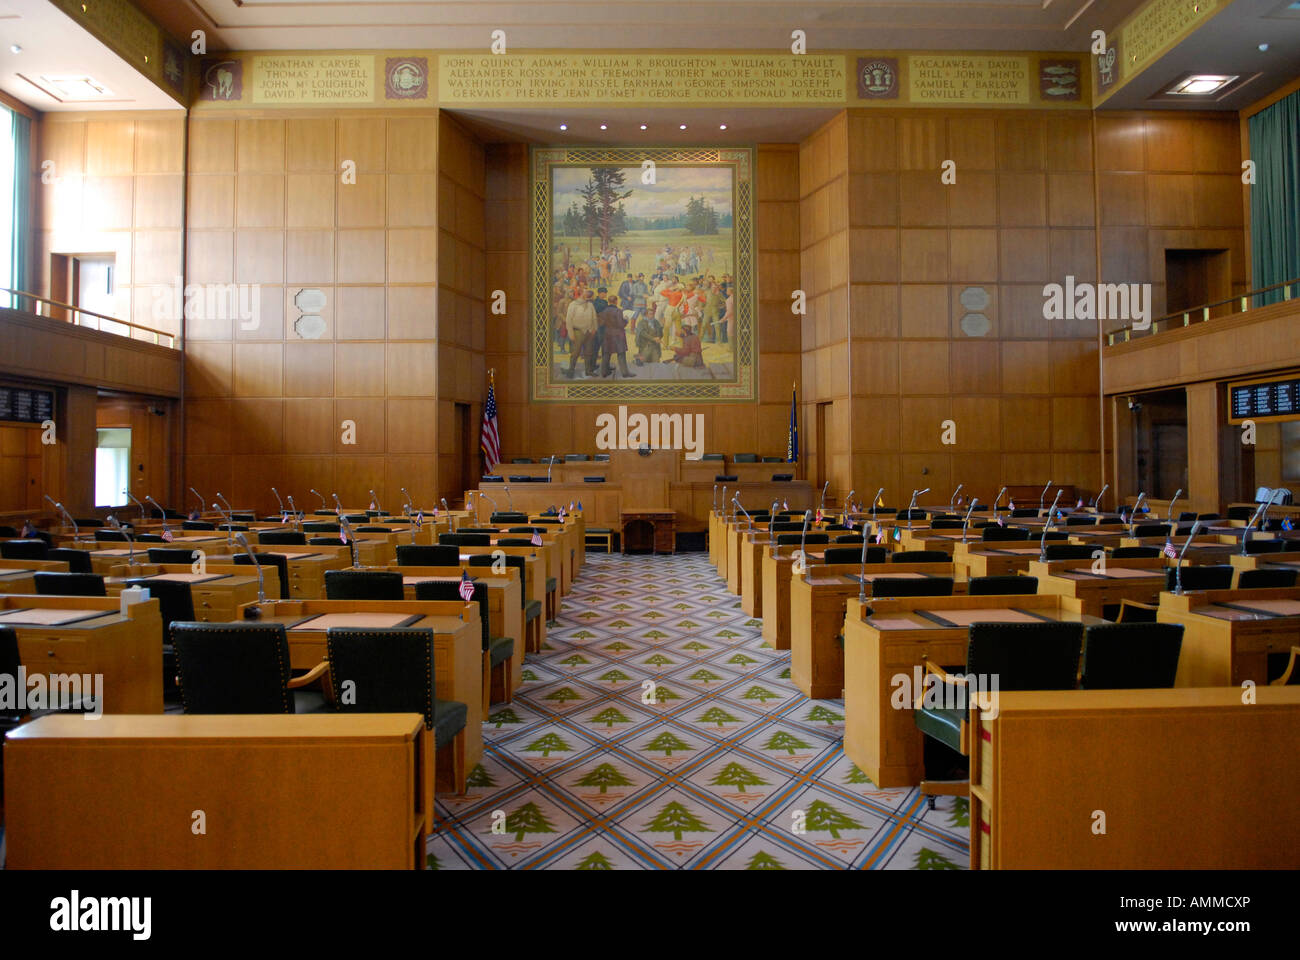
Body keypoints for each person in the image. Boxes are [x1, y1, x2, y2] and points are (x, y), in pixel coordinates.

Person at [565, 289, 598, 378]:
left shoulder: (590, 305)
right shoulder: (573, 305)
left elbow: (594, 318)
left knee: (589, 352)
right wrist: (571, 333)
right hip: (578, 332)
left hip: (589, 331)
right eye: (586, 293)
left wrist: (594, 329)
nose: (588, 294)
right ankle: (571, 370)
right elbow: (568, 320)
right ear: (581, 294)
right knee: (575, 353)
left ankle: (588, 371)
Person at [599, 296, 635, 378]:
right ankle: (625, 373)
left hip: (607, 334)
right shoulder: (618, 311)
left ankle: (604, 372)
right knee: (621, 354)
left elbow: (601, 323)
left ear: (609, 301)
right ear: (616, 301)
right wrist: (626, 320)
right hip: (618, 335)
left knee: (606, 353)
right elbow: (620, 324)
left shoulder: (604, 311)